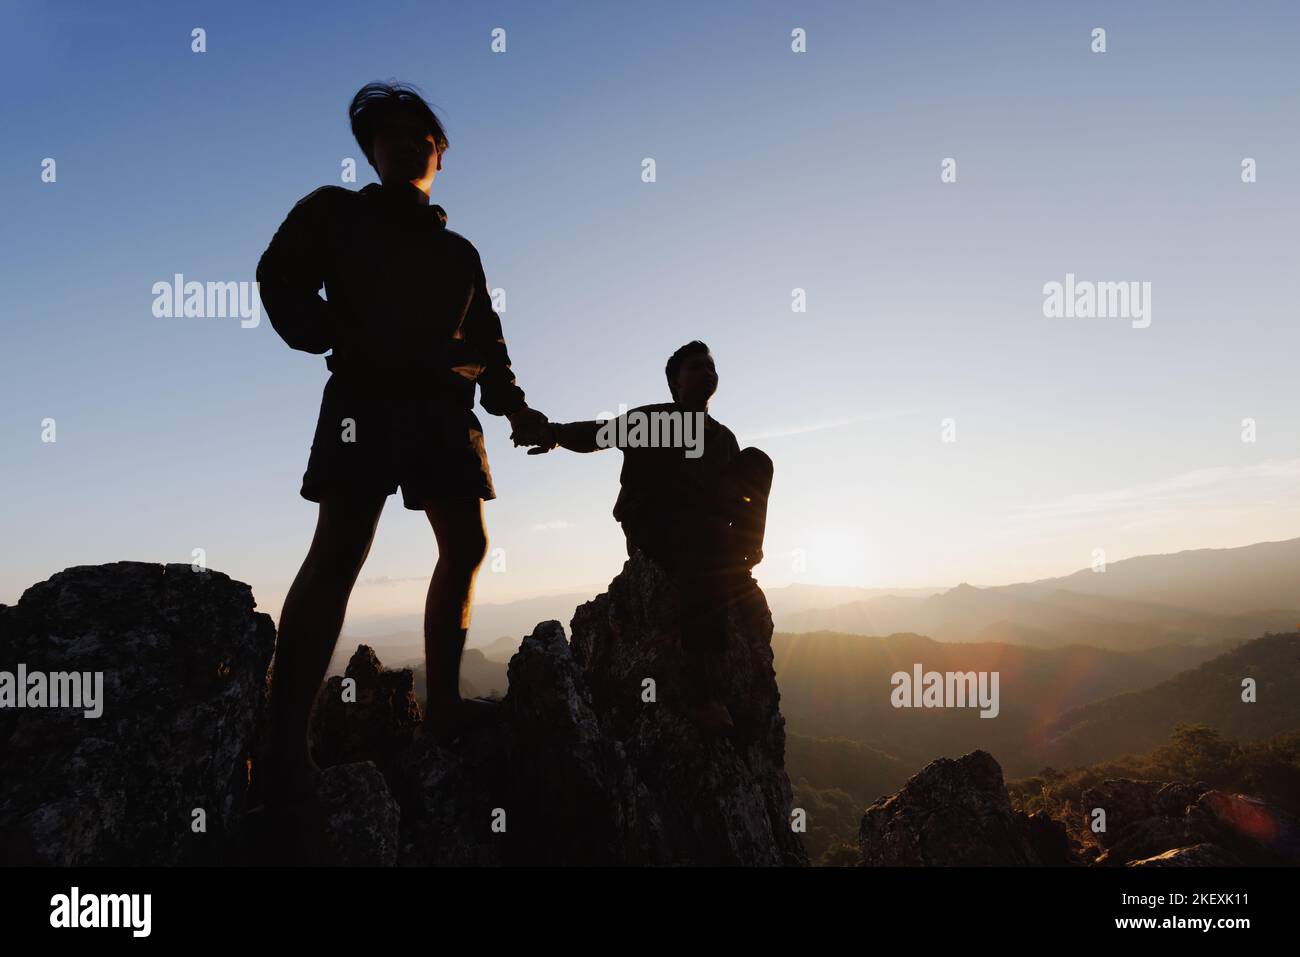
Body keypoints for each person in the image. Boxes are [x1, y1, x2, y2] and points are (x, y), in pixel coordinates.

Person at [255, 81, 551, 805]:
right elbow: (278, 279)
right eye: (388, 133)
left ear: (440, 153)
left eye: (420, 131)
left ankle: (443, 708)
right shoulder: (335, 213)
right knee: (337, 555)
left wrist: (514, 409)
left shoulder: (459, 252)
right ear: (371, 152)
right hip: (363, 398)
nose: (406, 139)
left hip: (444, 409)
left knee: (468, 544)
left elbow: (489, 340)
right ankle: (282, 750)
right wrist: (336, 334)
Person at [522, 341, 773, 733]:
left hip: (704, 529)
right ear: (675, 383)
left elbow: (743, 496)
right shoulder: (656, 420)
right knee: (702, 552)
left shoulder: (723, 438)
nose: (707, 371)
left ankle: (742, 562)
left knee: (757, 461)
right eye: (695, 366)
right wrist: (552, 433)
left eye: (711, 366)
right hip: (654, 520)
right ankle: (700, 691)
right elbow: (599, 434)